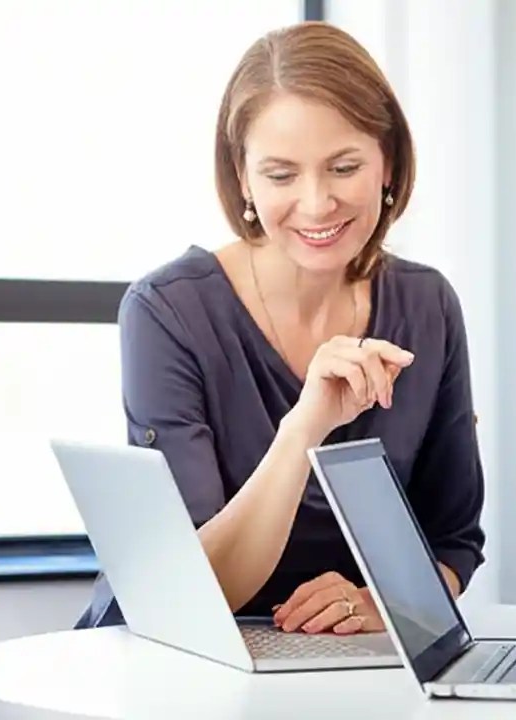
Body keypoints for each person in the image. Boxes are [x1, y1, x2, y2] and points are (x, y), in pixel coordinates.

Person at [75, 21, 486, 634]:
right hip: (176, 657)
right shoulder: (167, 312)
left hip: (337, 669)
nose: (317, 203)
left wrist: (391, 604)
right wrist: (303, 430)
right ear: (243, 177)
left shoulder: (428, 305)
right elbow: (190, 590)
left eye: (344, 167)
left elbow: (452, 540)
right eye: (281, 174)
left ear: (388, 163)